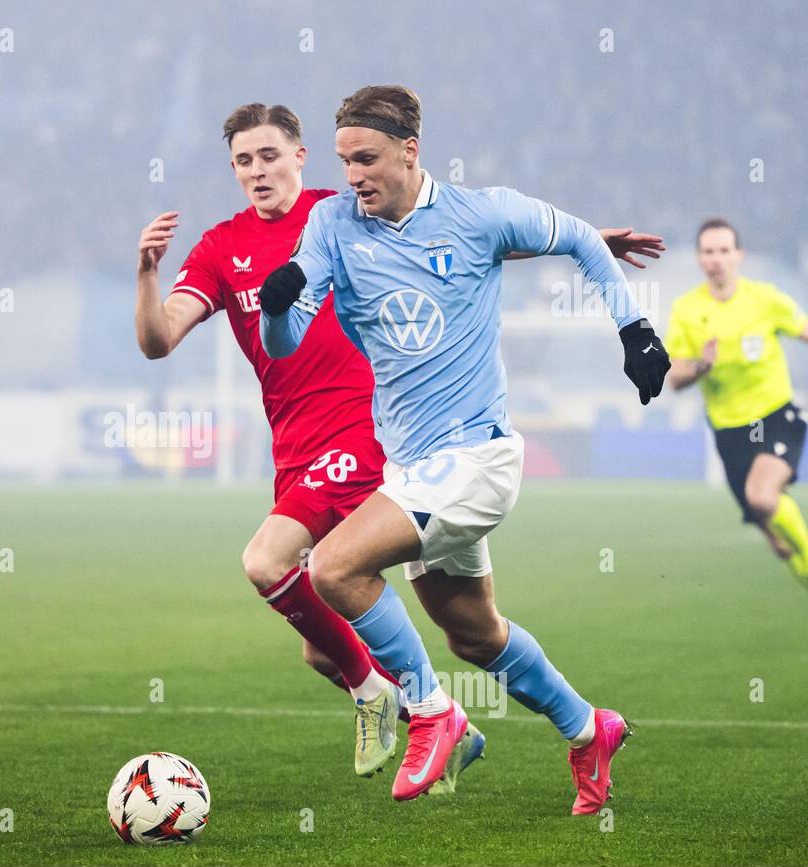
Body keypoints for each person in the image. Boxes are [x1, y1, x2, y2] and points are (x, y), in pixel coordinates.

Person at [138, 100, 663, 790]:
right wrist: (266, 306)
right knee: (468, 634)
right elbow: (268, 338)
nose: (352, 175)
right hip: (404, 461)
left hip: (453, 453)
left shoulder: (437, 210)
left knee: (323, 568)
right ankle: (589, 729)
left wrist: (630, 319)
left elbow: (537, 236)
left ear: (407, 151)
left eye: (364, 159)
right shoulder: (329, 226)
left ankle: (427, 711)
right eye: (346, 161)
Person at [665, 218, 808, 587]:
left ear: (739, 256)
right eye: (709, 252)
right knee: (775, 538)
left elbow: (803, 329)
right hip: (729, 431)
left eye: (724, 250)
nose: (717, 259)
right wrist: (702, 365)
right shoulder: (686, 310)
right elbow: (675, 378)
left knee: (761, 496)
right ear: (699, 259)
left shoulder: (766, 298)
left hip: (776, 414)